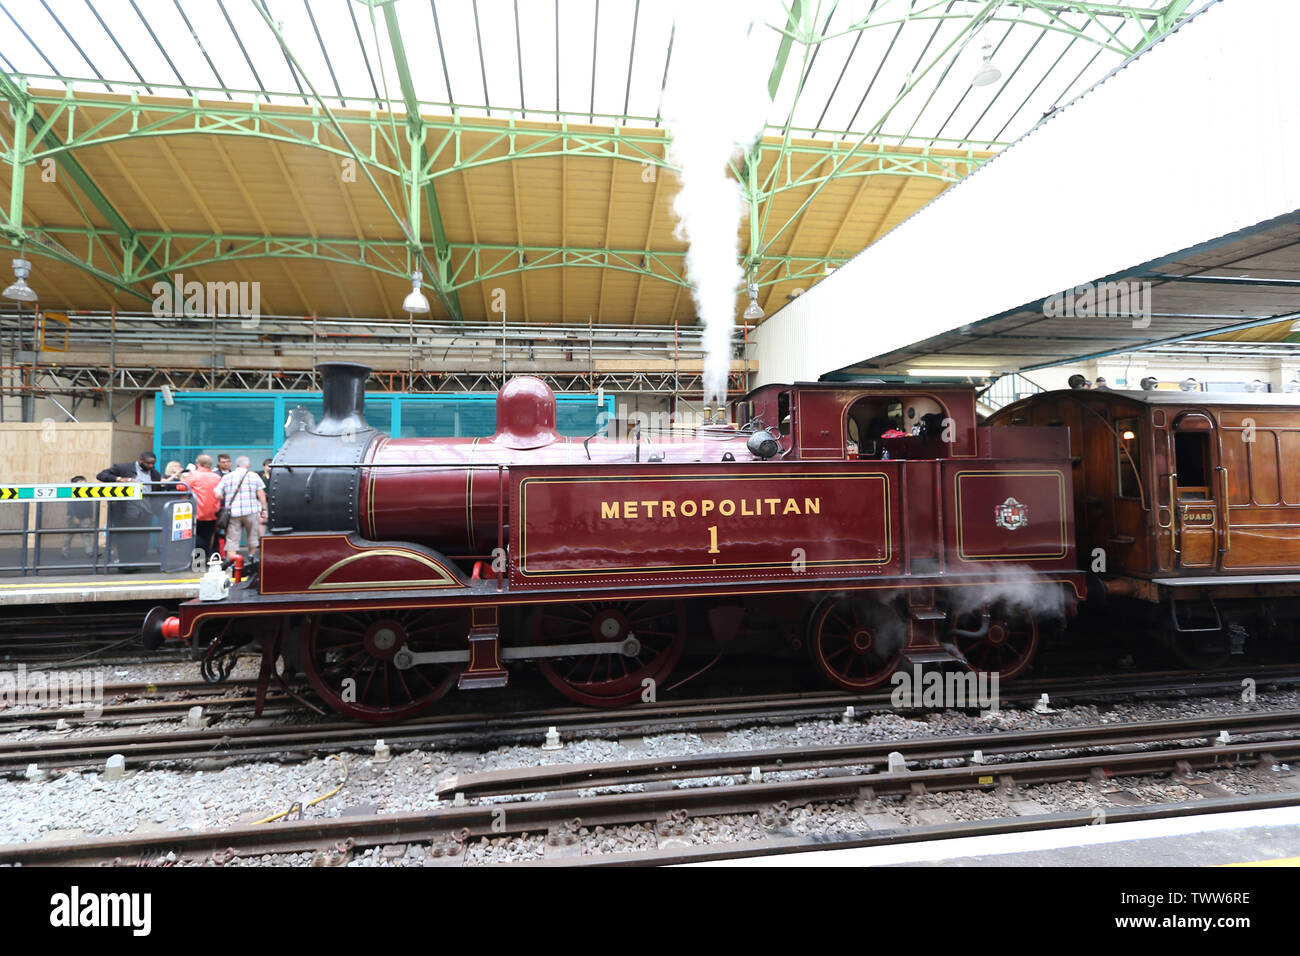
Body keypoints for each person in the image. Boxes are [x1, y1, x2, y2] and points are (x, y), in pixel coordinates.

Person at [96, 451, 161, 571]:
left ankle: (135, 564)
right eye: (148, 463)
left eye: (153, 464)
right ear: (140, 460)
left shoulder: (154, 474)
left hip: (145, 512)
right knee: (125, 540)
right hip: (125, 512)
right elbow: (101, 475)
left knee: (140, 541)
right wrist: (119, 479)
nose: (151, 466)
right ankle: (124, 565)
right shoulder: (123, 468)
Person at [215, 455, 267, 562]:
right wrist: (264, 509)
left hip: (233, 512)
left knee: (232, 539)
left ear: (236, 465)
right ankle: (251, 557)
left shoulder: (227, 477)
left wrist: (226, 496)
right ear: (248, 465)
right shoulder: (254, 476)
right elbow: (261, 493)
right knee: (252, 536)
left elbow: (217, 494)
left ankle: (232, 561)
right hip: (251, 511)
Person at [184, 455, 222, 563]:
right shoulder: (216, 477)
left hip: (197, 511)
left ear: (198, 463)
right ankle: (204, 559)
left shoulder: (194, 475)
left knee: (197, 536)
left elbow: (181, 487)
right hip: (213, 512)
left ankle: (198, 562)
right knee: (207, 536)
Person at [61, 475, 96, 562]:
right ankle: (65, 551)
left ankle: (89, 552)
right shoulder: (72, 492)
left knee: (86, 534)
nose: (84, 482)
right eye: (81, 481)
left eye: (84, 481)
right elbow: (70, 506)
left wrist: (91, 516)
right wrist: (74, 517)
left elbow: (90, 505)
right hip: (73, 517)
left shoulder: (87, 492)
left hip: (85, 516)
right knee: (69, 535)